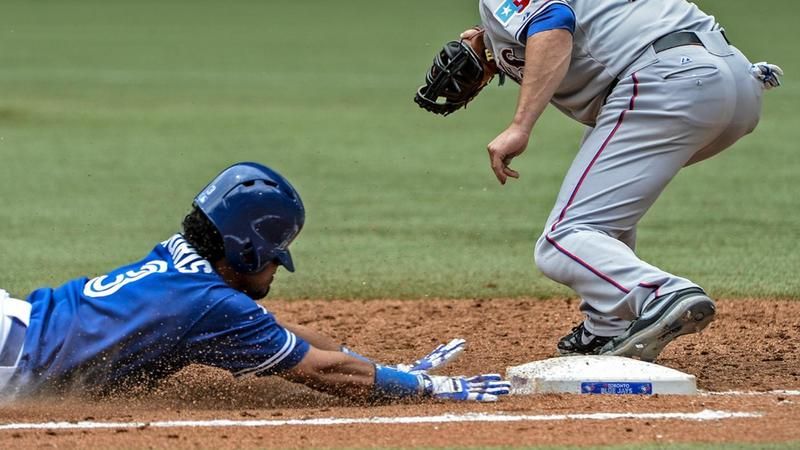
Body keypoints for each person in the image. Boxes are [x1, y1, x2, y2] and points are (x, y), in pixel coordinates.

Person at [414, 0, 783, 361]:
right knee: (602, 213)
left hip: (666, 83)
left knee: (564, 238)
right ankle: (607, 326)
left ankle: (660, 294)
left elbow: (552, 21)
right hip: (734, 82)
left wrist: (520, 126)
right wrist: (494, 42)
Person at [0, 162, 510, 402]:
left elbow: (278, 330)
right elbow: (326, 374)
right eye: (273, 258)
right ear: (246, 248)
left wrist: (382, 366)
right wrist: (428, 387)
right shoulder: (208, 305)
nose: (274, 270)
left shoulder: (186, 266)